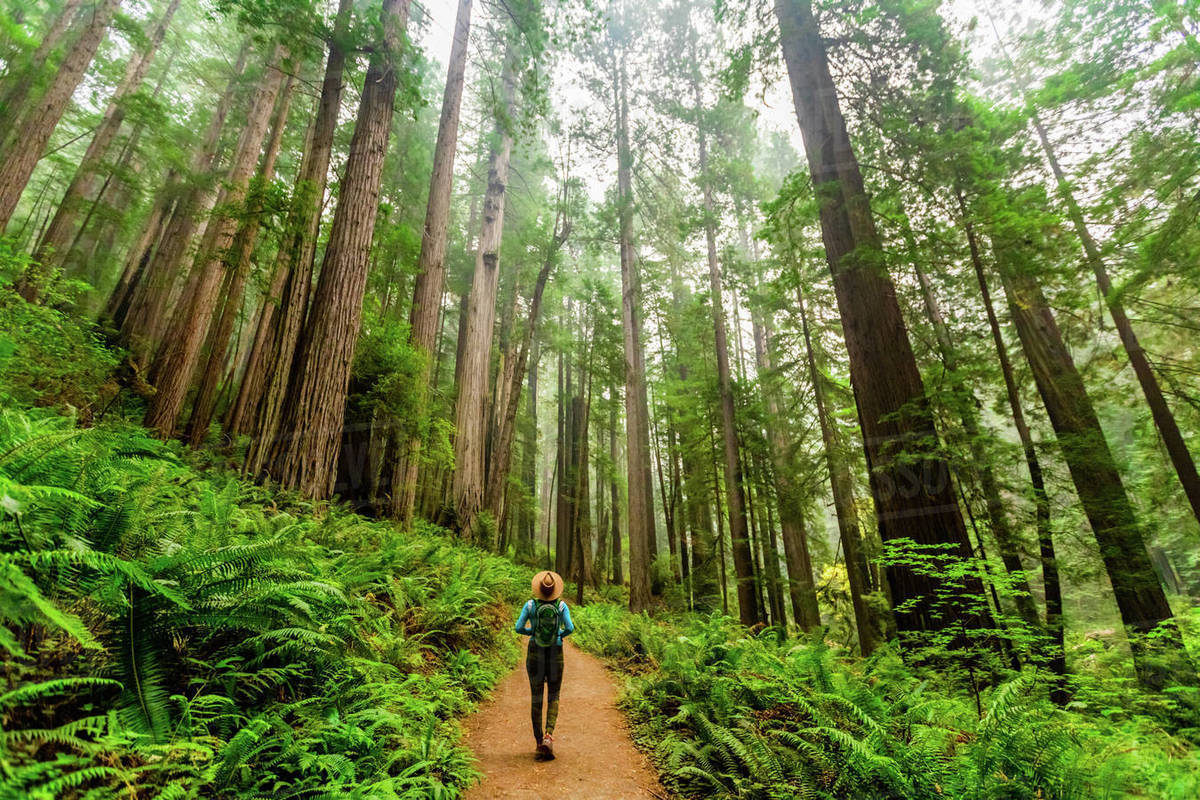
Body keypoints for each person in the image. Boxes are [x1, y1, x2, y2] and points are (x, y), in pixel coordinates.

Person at [514, 570, 575, 760]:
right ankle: (549, 735)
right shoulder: (562, 606)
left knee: (536, 696)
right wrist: (559, 636)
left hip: (535, 653)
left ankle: (538, 740)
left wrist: (532, 633)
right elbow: (570, 628)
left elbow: (518, 628)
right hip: (555, 652)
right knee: (554, 694)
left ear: (539, 589)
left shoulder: (530, 605)